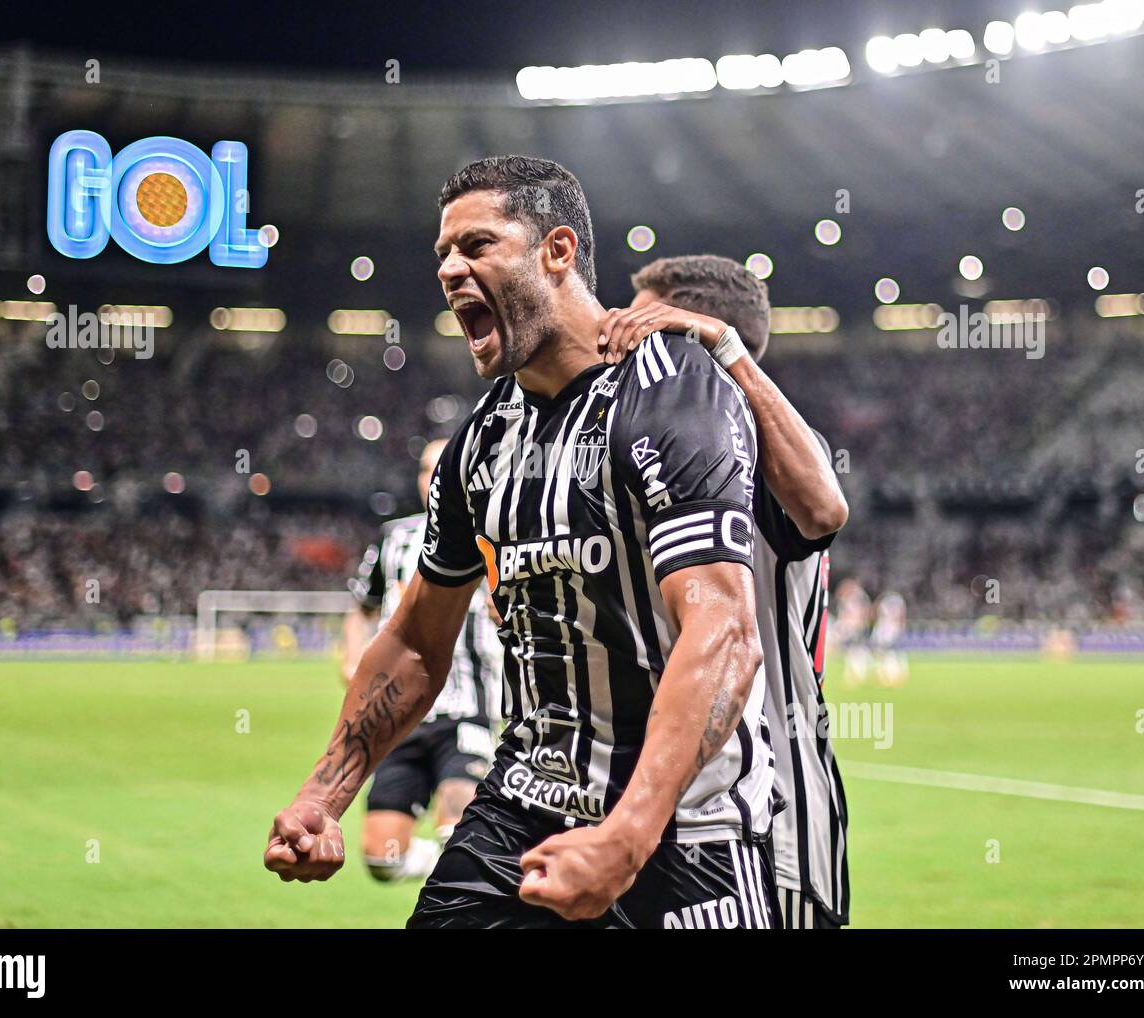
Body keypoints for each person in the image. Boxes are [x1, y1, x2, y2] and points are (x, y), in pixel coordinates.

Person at [266, 155, 780, 929]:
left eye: (476, 245)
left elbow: (724, 630)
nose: (449, 269)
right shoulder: (478, 446)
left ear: (559, 251)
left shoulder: (670, 390)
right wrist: (320, 797)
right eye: (442, 253)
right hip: (519, 808)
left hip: (684, 832)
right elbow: (413, 643)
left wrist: (625, 838)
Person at [599, 253, 850, 928]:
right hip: (661, 799)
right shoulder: (647, 439)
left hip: (776, 819)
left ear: (683, 323)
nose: (615, 330)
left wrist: (725, 350)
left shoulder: (755, 438)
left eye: (637, 316)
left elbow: (824, 510)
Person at [343, 438, 501, 882]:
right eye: (426, 471)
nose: (434, 479)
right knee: (383, 860)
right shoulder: (394, 538)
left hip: (468, 709)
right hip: (399, 715)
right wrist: (352, 659)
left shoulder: (492, 534)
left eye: (443, 469)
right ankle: (461, 870)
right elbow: (362, 606)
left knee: (459, 828)